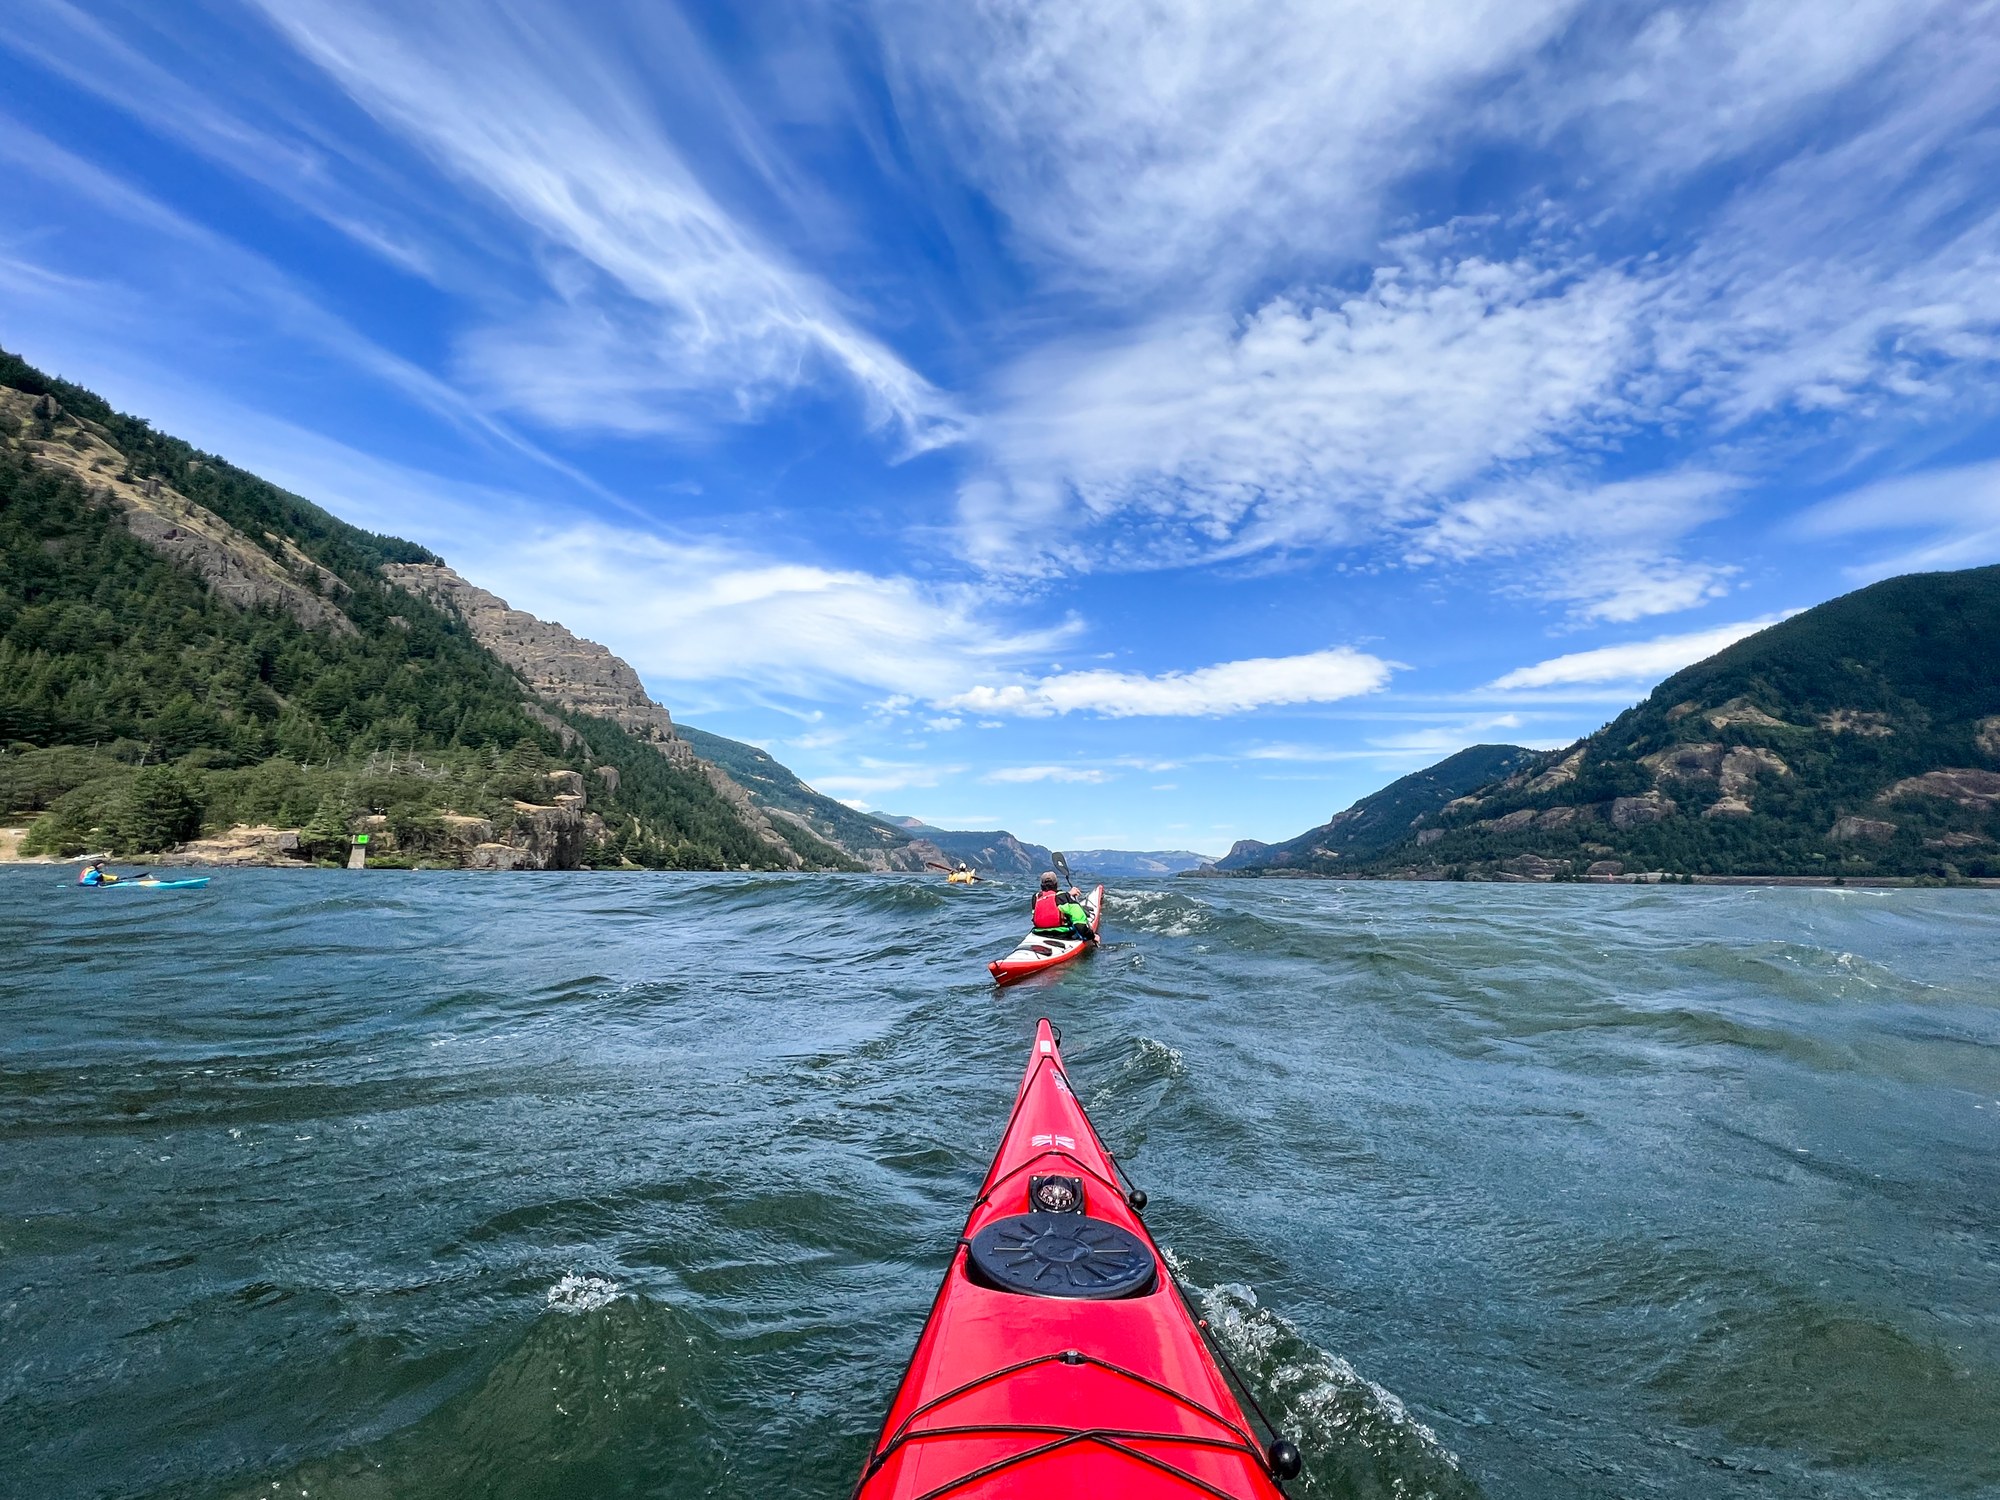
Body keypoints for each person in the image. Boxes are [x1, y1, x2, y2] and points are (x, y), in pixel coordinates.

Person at [1030, 872, 1095, 943]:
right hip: (1063, 935)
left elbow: (1051, 898)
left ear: (1041, 886)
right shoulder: (1063, 897)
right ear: (1056, 884)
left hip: (1039, 933)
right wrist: (1092, 936)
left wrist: (1068, 894)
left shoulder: (1036, 898)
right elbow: (1080, 925)